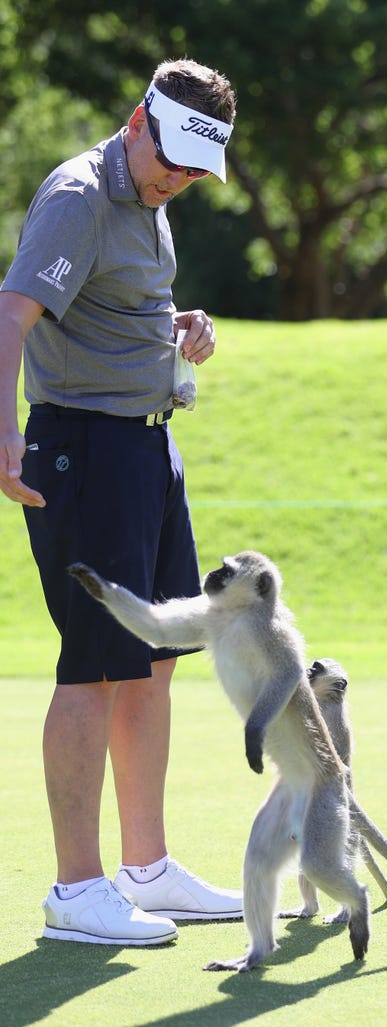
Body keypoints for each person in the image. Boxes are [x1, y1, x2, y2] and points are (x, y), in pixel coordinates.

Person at [0, 58, 243, 946]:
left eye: (193, 168)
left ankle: (147, 868)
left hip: (147, 446)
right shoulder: (78, 196)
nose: (177, 179)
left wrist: (180, 326)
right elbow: (11, 316)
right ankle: (76, 888)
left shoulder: (153, 199)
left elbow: (118, 301)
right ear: (138, 119)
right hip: (83, 449)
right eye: (170, 158)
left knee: (156, 659)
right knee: (95, 665)